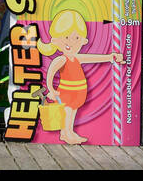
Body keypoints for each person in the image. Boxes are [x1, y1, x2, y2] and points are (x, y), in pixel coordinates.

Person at [38, 8, 123, 145]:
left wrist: (110, 57)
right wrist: (51, 90)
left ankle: (67, 132)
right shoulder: (62, 60)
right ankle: (66, 133)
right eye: (66, 37)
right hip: (66, 92)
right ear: (56, 40)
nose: (71, 42)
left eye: (76, 38)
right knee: (67, 112)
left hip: (78, 93)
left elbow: (92, 58)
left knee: (71, 113)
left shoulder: (76, 58)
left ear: (83, 41)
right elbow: (51, 73)